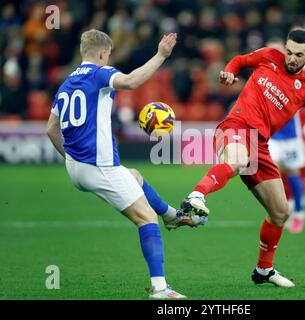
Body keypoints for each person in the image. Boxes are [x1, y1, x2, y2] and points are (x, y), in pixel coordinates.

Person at [181, 29, 305, 287]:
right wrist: (230, 71)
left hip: (261, 145)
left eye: (298, 55)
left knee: (280, 211)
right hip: (236, 125)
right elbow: (240, 61)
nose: (291, 58)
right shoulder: (269, 57)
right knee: (237, 161)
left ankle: (263, 270)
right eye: (289, 51)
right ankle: (197, 195)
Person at [46, 29, 199, 299]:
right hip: (99, 167)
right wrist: (161, 55)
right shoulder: (99, 74)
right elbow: (130, 82)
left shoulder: (66, 84)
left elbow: (51, 130)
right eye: (109, 55)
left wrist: (71, 158)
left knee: (135, 176)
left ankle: (171, 216)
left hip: (76, 169)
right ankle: (160, 288)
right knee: (145, 218)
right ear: (103, 53)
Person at [266, 37, 305, 233]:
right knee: (270, 172)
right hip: (272, 135)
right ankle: (280, 210)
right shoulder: (264, 73)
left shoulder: (293, 73)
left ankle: (299, 212)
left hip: (290, 133)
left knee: (292, 173)